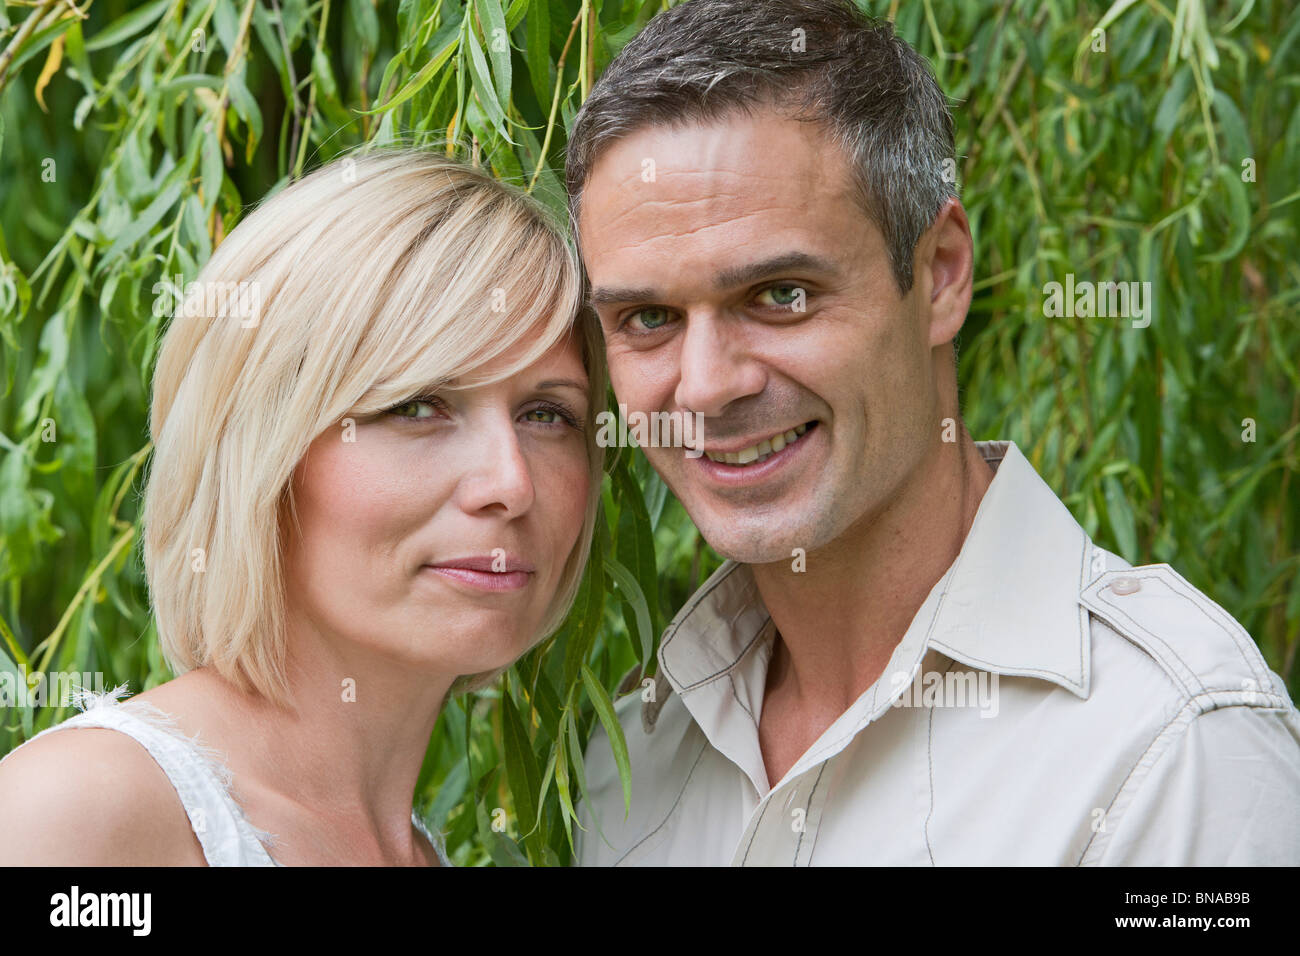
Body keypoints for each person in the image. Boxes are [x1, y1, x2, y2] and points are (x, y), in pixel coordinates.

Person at [566, 0, 1300, 865]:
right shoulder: (637, 754)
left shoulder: (1168, 750)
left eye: (781, 295)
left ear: (941, 275)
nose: (708, 385)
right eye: (647, 316)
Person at [0, 149, 606, 866]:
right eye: (418, 407)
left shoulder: (413, 853)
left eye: (547, 415)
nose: (511, 483)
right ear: (259, 447)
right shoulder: (82, 815)